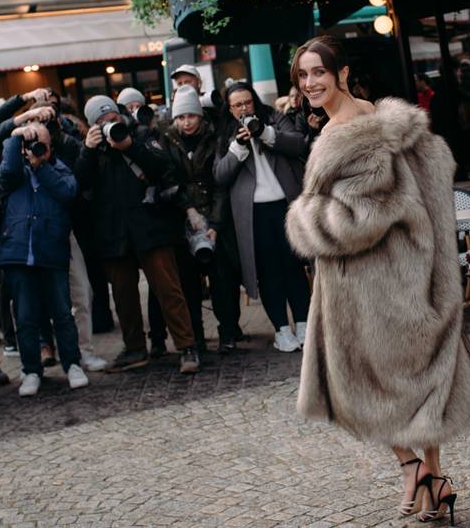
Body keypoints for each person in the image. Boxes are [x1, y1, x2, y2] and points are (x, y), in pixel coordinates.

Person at [285, 36, 470, 523]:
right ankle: (435, 479)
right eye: (302, 75)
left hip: (365, 287)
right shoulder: (384, 120)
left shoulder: (349, 132)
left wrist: (305, 218)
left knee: (361, 384)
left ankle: (409, 466)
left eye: (318, 72)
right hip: (402, 275)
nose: (310, 83)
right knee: (420, 379)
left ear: (342, 73)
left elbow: (361, 217)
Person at [74, 95, 200, 374]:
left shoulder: (141, 134)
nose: (109, 125)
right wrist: (88, 150)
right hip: (112, 233)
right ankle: (134, 348)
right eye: (102, 122)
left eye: (113, 119)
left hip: (150, 226)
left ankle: (187, 346)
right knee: (124, 296)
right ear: (92, 125)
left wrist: (129, 146)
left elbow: (164, 167)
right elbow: (79, 185)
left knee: (169, 290)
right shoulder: (91, 148)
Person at [213, 82, 310, 352]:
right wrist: (238, 148)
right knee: (269, 273)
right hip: (254, 214)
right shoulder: (225, 135)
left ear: (254, 101)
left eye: (247, 102)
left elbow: (297, 143)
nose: (244, 109)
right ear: (229, 109)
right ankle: (281, 329)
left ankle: (303, 324)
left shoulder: (273, 118)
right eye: (237, 105)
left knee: (295, 267)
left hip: (286, 205)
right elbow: (219, 174)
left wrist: (266, 133)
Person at [0, 123, 88, 396]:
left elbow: (66, 192)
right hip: (18, 253)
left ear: (51, 147)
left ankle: (73, 364)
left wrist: (41, 166)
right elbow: (6, 172)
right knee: (25, 318)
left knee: (62, 313)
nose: (38, 149)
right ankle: (31, 370)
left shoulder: (59, 169)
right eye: (33, 144)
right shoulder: (15, 172)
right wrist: (16, 139)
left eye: (44, 145)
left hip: (51, 252)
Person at [157, 85, 242, 353]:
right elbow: (168, 179)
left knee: (223, 282)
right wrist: (188, 210)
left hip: (214, 215)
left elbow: (220, 184)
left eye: (191, 116)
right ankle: (196, 338)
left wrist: (215, 224)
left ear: (200, 116)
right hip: (181, 218)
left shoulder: (215, 137)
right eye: (181, 117)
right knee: (188, 284)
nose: (186, 122)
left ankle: (228, 332)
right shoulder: (166, 141)